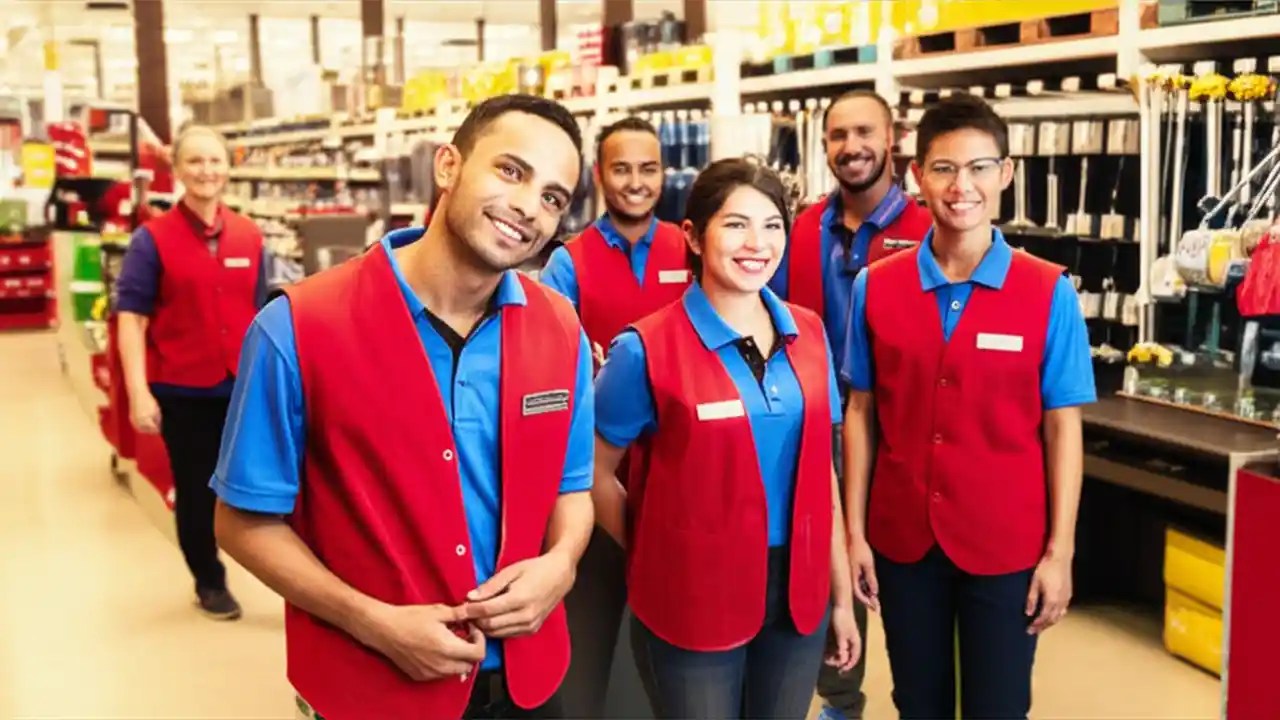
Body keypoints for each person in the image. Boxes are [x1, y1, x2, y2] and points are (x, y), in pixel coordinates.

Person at [210, 94, 597, 720]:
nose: (528, 207)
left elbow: (572, 488)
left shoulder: (560, 328)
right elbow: (242, 523)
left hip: (527, 681)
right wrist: (371, 621)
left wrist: (561, 565)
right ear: (448, 166)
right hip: (373, 686)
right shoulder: (298, 328)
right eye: (510, 171)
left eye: (553, 197)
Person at [840, 94, 1095, 720]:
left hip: (1006, 543)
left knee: (999, 705)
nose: (963, 187)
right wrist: (854, 535)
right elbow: (860, 414)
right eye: (945, 169)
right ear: (916, 176)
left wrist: (1059, 554)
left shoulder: (1047, 291)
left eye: (980, 168)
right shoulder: (878, 286)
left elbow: (1064, 428)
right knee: (917, 703)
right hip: (903, 541)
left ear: (1006, 175)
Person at [592, 158, 861, 720]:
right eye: (736, 224)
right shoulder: (645, 348)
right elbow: (589, 469)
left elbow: (821, 476)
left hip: (796, 596)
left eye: (772, 225)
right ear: (691, 236)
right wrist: (652, 546)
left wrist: (841, 598)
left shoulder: (808, 333)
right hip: (692, 594)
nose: (756, 243)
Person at [767, 88, 933, 720]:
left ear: (892, 140)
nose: (851, 147)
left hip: (898, 434)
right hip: (810, 431)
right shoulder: (803, 228)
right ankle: (841, 701)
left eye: (864, 132)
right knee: (821, 566)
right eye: (837, 135)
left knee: (901, 573)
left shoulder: (926, 230)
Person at [539, 115, 690, 719]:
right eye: (621, 169)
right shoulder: (567, 264)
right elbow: (553, 371)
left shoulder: (692, 248)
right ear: (598, 176)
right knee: (596, 621)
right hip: (595, 472)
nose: (636, 182)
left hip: (681, 467)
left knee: (678, 629)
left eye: (648, 169)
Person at [115, 125, 266, 621]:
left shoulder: (250, 234)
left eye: (215, 161)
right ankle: (209, 580)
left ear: (229, 166)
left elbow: (265, 312)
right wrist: (139, 392)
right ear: (177, 170)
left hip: (243, 387)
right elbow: (131, 319)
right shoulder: (150, 240)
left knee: (259, 485)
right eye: (196, 162)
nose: (207, 171)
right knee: (198, 489)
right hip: (183, 388)